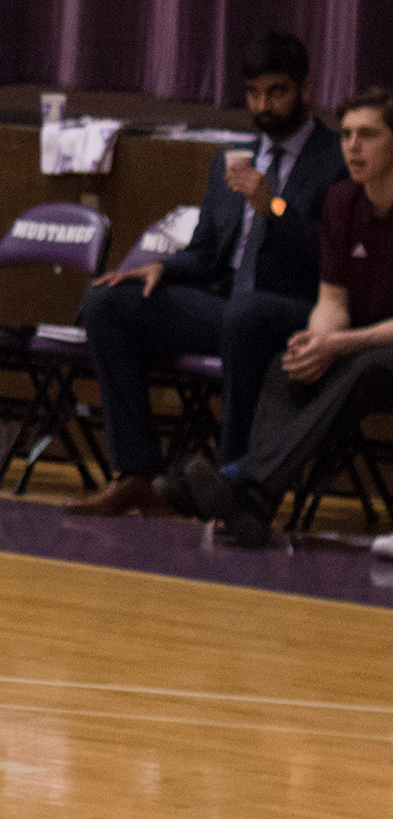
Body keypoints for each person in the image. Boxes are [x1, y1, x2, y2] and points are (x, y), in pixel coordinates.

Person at [68, 32, 347, 515]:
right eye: (254, 94)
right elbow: (204, 253)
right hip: (229, 306)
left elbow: (337, 255)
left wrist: (273, 207)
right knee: (107, 302)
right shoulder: (231, 159)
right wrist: (163, 266)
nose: (264, 106)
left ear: (306, 88)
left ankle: (234, 484)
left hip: (299, 312)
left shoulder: (338, 159)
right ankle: (137, 472)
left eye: (277, 92)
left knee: (247, 312)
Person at [182, 86, 393, 546]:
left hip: (381, 350)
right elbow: (333, 302)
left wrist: (336, 345)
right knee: (290, 362)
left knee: (361, 368)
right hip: (358, 338)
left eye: (369, 135)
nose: (353, 146)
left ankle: (242, 482)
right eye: (347, 135)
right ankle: (254, 510)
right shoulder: (342, 200)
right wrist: (317, 342)